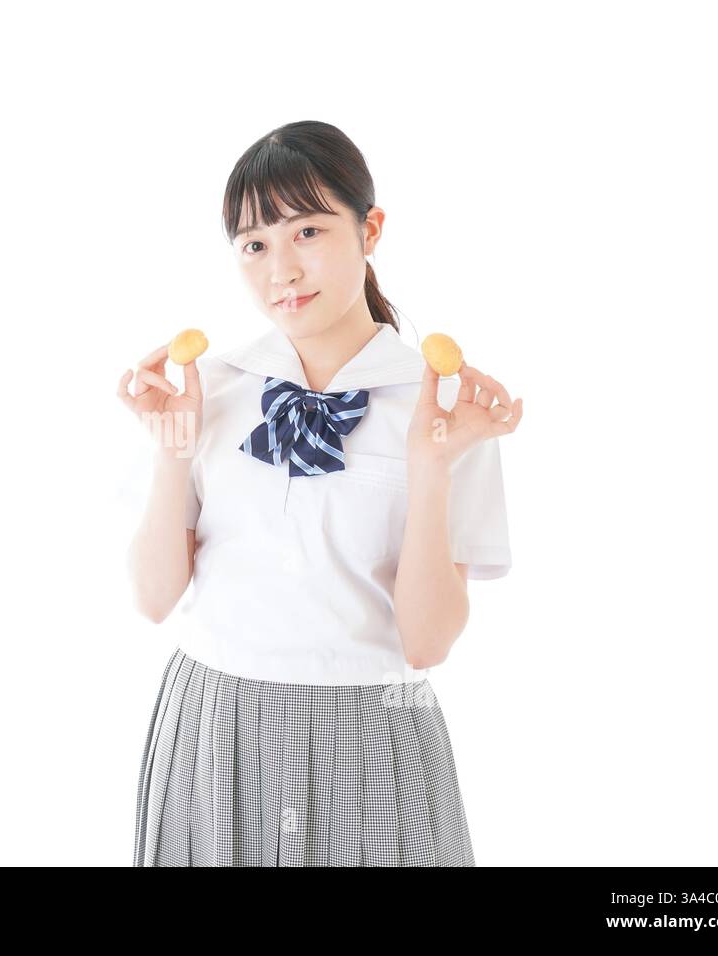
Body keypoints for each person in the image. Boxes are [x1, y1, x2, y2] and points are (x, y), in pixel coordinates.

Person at [117, 120, 524, 866]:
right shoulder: (214, 388)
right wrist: (172, 450)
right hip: (217, 723)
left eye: (307, 231)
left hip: (374, 726)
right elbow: (153, 598)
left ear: (369, 229)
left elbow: (427, 642)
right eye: (256, 244)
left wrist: (431, 467)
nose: (283, 270)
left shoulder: (444, 410)